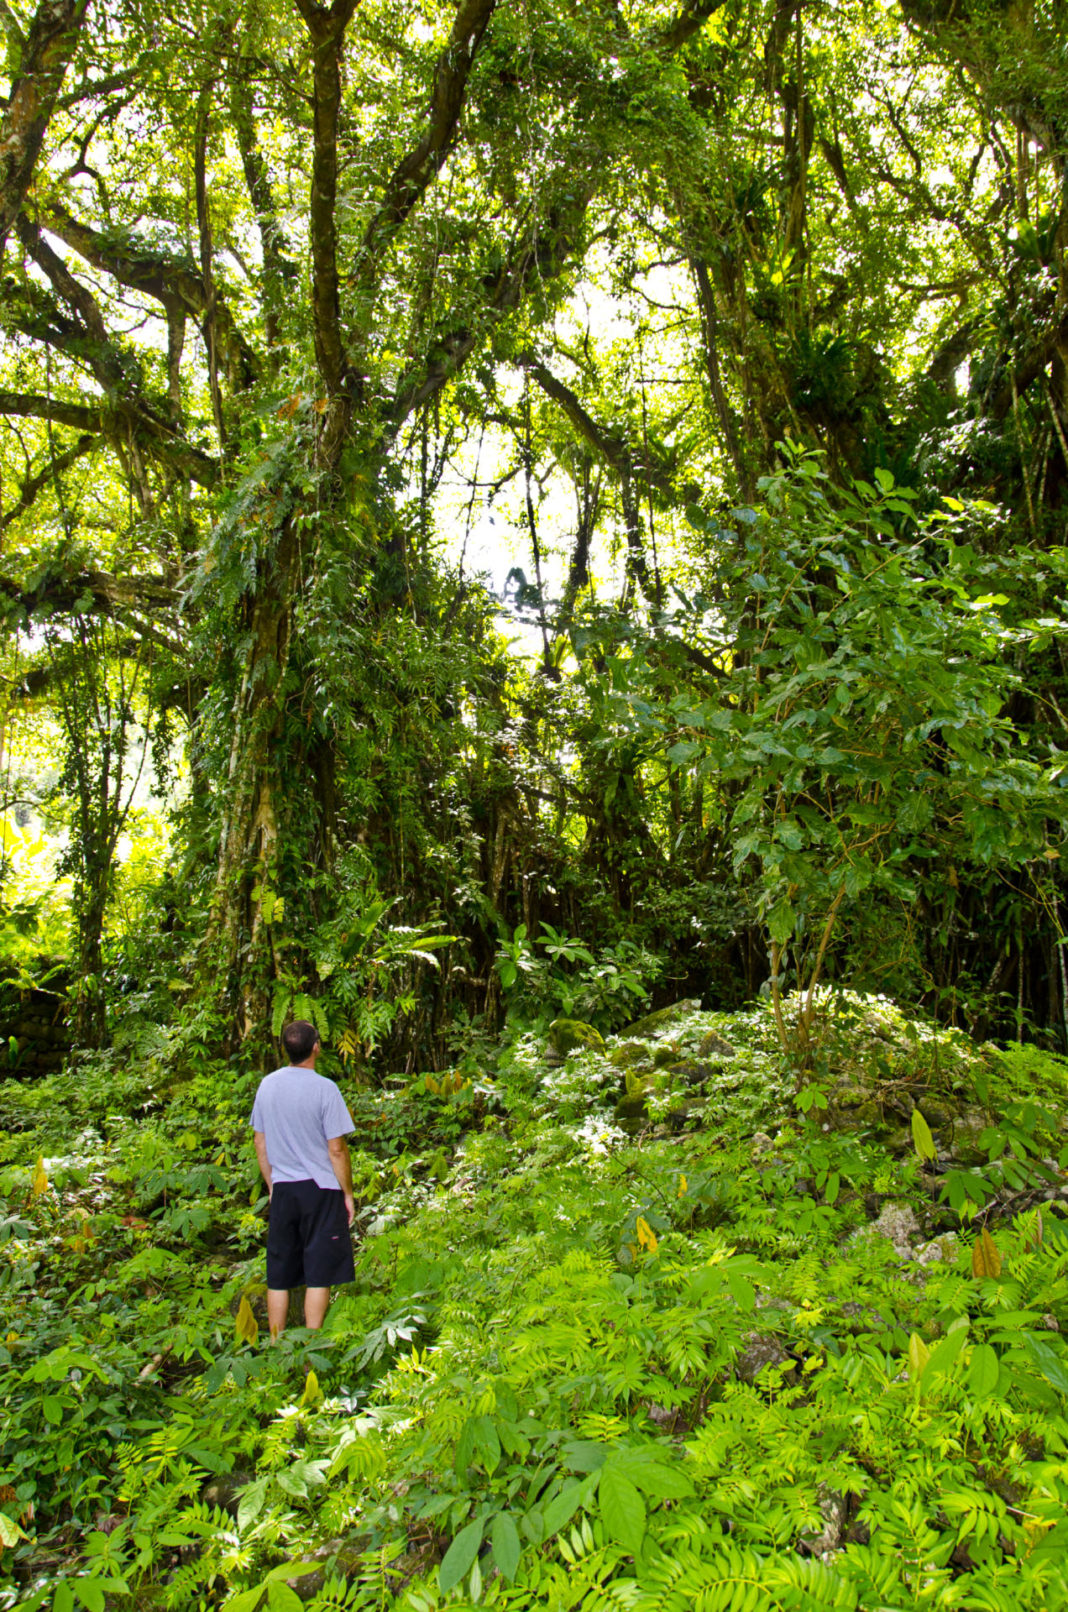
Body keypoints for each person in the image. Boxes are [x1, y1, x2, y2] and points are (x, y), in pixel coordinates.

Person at [250, 1019, 356, 1335]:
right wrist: (347, 1193)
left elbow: (260, 1141)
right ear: (316, 1047)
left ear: (286, 1049)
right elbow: (336, 1148)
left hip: (283, 1189)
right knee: (319, 1274)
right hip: (321, 1190)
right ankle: (312, 1344)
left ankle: (276, 1344)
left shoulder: (267, 1085)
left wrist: (273, 1185)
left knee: (279, 1275)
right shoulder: (325, 1088)